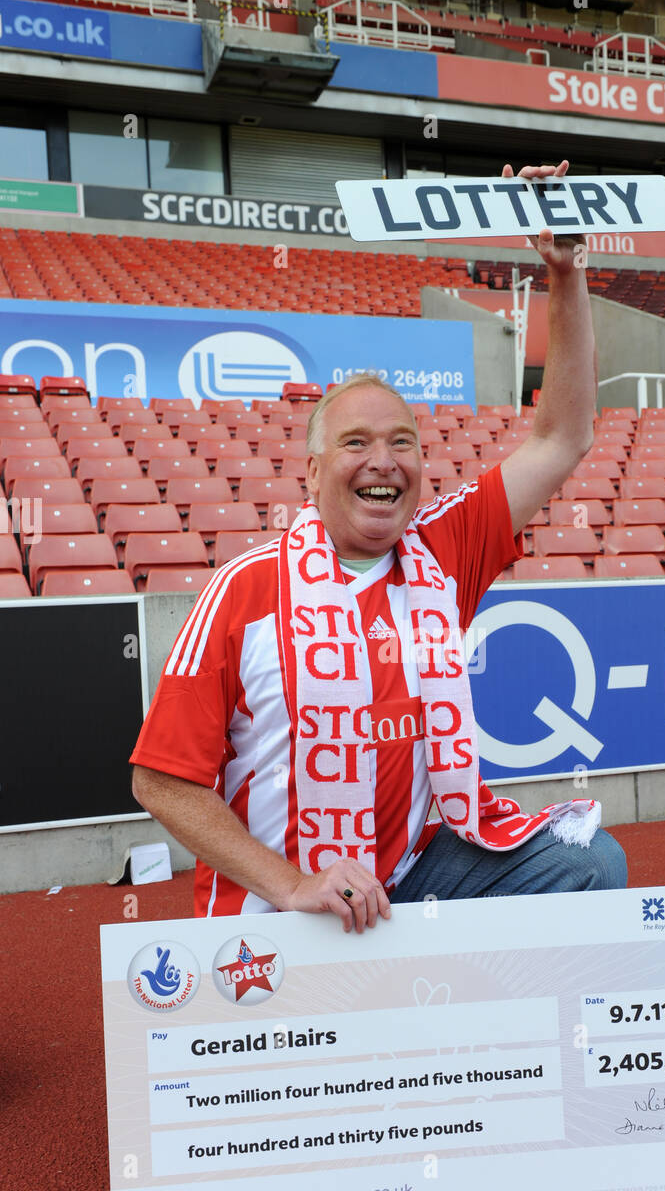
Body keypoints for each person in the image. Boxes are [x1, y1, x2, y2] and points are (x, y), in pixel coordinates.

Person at [131, 158, 628, 932]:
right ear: (314, 470)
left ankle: (497, 1044)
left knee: (591, 861)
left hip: (416, 870)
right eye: (356, 442)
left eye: (402, 442)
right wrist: (293, 884)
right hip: (284, 899)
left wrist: (564, 272)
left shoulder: (443, 550)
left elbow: (562, 436)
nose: (383, 461)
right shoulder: (244, 588)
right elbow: (162, 782)